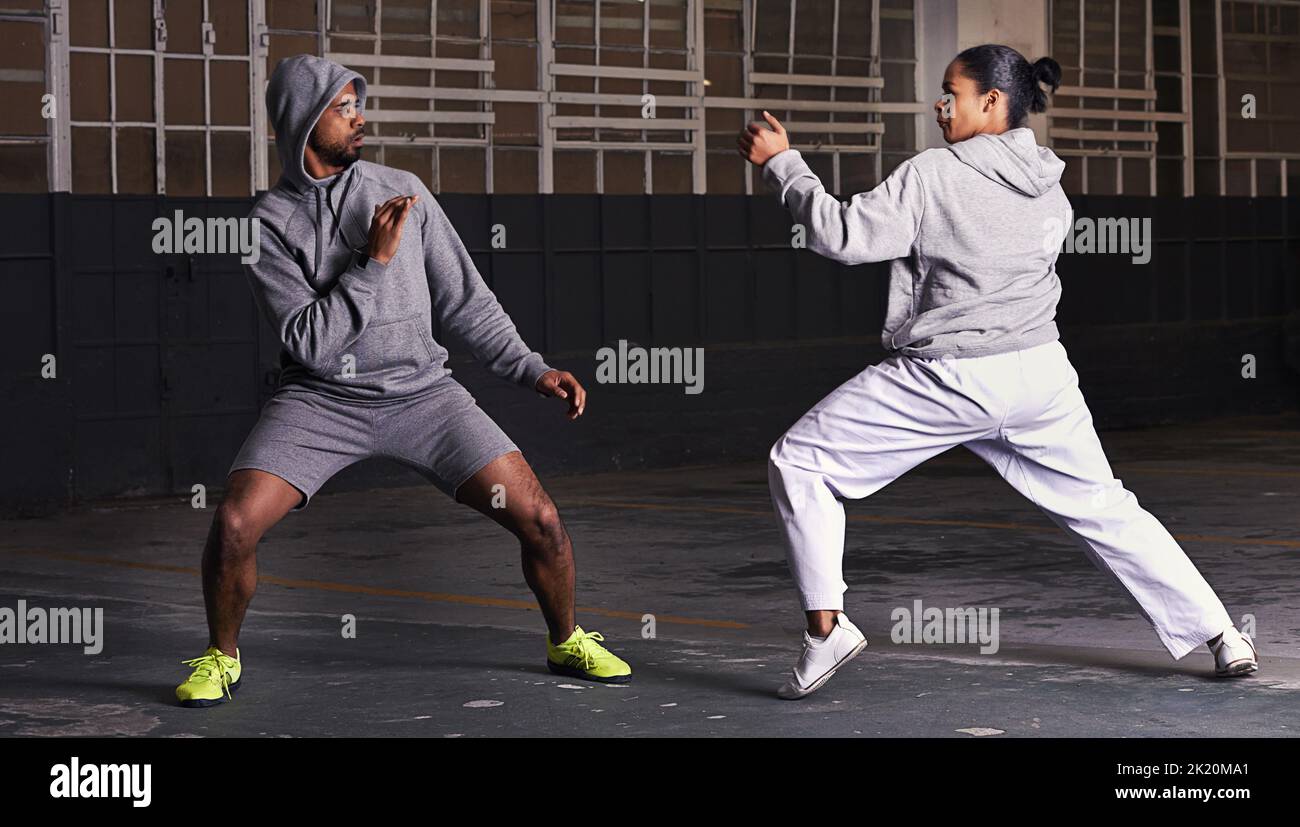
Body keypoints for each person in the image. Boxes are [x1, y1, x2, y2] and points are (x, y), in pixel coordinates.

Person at [738, 44, 1258, 700]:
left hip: (953, 377)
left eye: (950, 92)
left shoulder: (935, 173)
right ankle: (1223, 634)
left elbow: (844, 236)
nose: (938, 102)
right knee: (1109, 508)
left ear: (991, 101)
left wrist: (783, 165)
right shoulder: (1050, 184)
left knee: (800, 461)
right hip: (1042, 375)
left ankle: (826, 629)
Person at [175, 55, 630, 707]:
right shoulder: (269, 225)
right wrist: (371, 262)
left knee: (542, 518)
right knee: (236, 523)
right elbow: (308, 342)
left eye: (359, 104)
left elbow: (466, 299)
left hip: (425, 395)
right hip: (320, 401)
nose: (360, 117)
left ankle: (566, 640)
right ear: (304, 120)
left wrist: (531, 367)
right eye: (343, 107)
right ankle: (222, 657)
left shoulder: (402, 188)